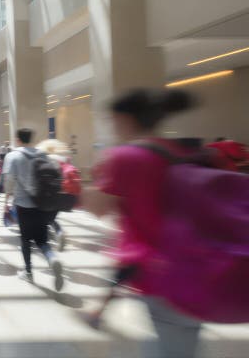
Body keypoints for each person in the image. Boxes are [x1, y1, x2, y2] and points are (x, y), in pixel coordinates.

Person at [80, 89, 206, 357]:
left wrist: (92, 180)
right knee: (178, 343)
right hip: (197, 264)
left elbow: (98, 208)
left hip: (161, 272)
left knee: (171, 348)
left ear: (124, 119)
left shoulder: (127, 156)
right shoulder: (180, 151)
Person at [3, 128, 64, 291]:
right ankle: (51, 258)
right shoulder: (42, 154)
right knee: (42, 239)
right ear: (31, 138)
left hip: (23, 204)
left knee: (25, 239)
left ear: (17, 139)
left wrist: (7, 199)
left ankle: (28, 271)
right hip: (42, 202)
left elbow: (9, 181)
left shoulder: (13, 156)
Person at [34, 139, 77, 252]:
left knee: (44, 218)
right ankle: (59, 232)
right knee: (51, 218)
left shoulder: (45, 160)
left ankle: (46, 241)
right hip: (61, 194)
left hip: (46, 195)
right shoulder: (63, 160)